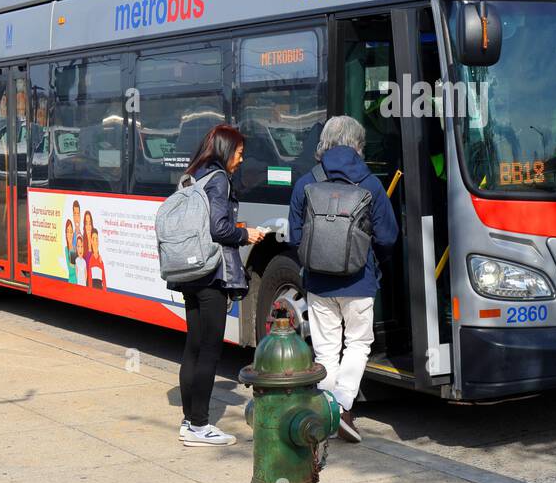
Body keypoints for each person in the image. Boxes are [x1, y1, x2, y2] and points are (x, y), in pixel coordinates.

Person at [288, 115, 399, 443]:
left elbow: (296, 237)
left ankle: (327, 411)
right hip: (359, 280)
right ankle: (343, 407)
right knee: (359, 344)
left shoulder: (306, 181)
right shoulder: (371, 183)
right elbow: (388, 236)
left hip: (319, 283)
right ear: (357, 145)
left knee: (326, 351)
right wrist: (371, 259)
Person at [168, 124, 266, 447]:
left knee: (193, 345)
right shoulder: (220, 180)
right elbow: (218, 228)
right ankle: (199, 425)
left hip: (189, 272)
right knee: (210, 348)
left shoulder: (195, 174)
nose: (241, 159)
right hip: (211, 274)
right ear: (226, 151)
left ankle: (188, 421)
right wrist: (246, 235)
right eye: (239, 152)